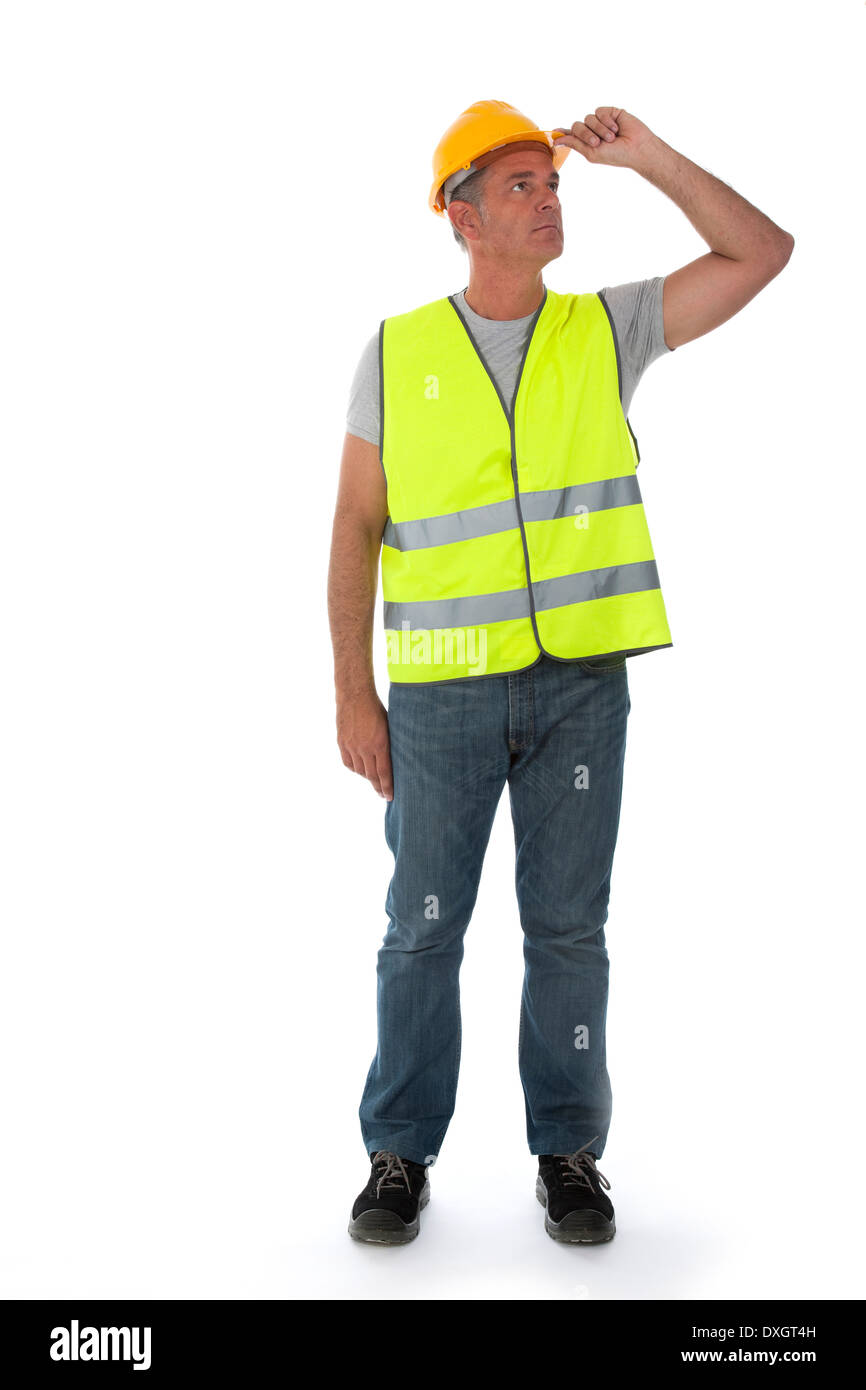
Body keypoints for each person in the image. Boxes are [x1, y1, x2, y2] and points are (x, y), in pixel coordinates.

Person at [328, 100, 793, 1246]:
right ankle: (398, 1153)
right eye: (523, 185)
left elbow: (760, 252)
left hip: (580, 690)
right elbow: (353, 526)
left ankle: (568, 1154)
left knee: (567, 930)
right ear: (461, 216)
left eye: (554, 183)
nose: (548, 199)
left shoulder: (607, 330)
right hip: (437, 696)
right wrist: (353, 693)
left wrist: (647, 161)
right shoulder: (397, 353)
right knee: (422, 929)